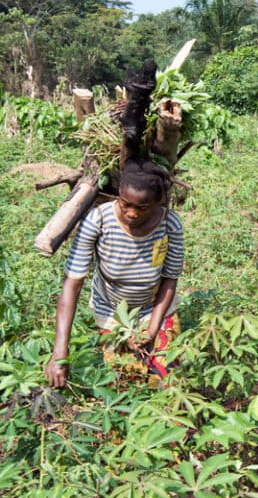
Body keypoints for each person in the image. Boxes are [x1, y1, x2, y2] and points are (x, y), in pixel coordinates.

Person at [45, 158, 184, 388]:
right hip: (111, 311)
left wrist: (151, 331)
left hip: (154, 308)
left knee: (169, 381)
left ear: (158, 202)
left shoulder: (170, 224)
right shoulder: (98, 220)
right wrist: (60, 352)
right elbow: (72, 284)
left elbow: (170, 279)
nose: (131, 214)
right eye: (125, 203)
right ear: (118, 195)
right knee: (128, 383)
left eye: (142, 208)